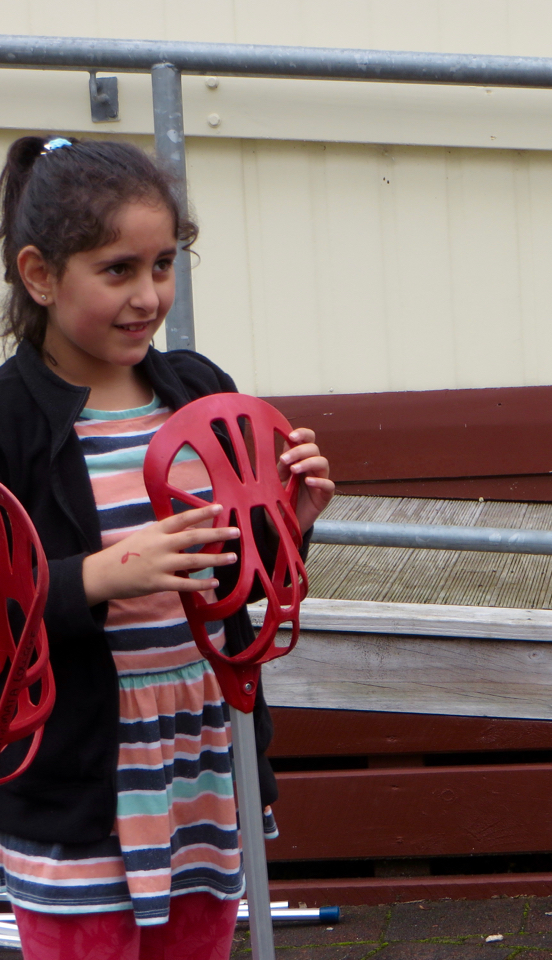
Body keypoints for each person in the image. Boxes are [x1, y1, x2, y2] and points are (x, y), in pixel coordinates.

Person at [0, 135, 334, 960]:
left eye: (163, 264)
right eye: (118, 270)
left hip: (200, 752)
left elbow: (239, 578)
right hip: (79, 770)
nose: (148, 295)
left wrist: (291, 517)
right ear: (39, 275)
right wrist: (101, 576)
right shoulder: (8, 419)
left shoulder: (199, 390)